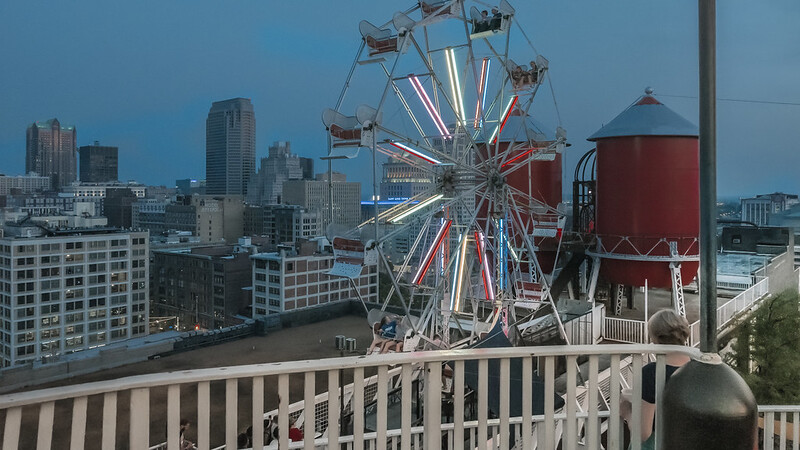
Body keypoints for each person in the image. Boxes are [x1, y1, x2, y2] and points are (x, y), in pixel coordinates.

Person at [620, 309, 690, 450]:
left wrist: (627, 412)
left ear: (655, 338)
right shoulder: (697, 366)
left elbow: (643, 433)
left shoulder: (651, 373)